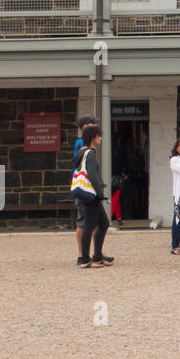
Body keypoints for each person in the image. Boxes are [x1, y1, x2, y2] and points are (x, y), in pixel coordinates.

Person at [76, 122, 112, 268]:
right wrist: (100, 193)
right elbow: (93, 174)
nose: (101, 139)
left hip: (89, 195)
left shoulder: (82, 151)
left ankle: (97, 256)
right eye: (99, 136)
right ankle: (85, 260)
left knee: (103, 223)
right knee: (89, 226)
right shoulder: (90, 153)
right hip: (91, 195)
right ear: (93, 137)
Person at [72, 113, 97, 265]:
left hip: (87, 187)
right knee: (83, 222)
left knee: (94, 222)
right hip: (84, 188)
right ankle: (82, 255)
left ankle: (95, 252)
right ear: (86, 126)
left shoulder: (86, 143)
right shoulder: (82, 144)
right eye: (93, 124)